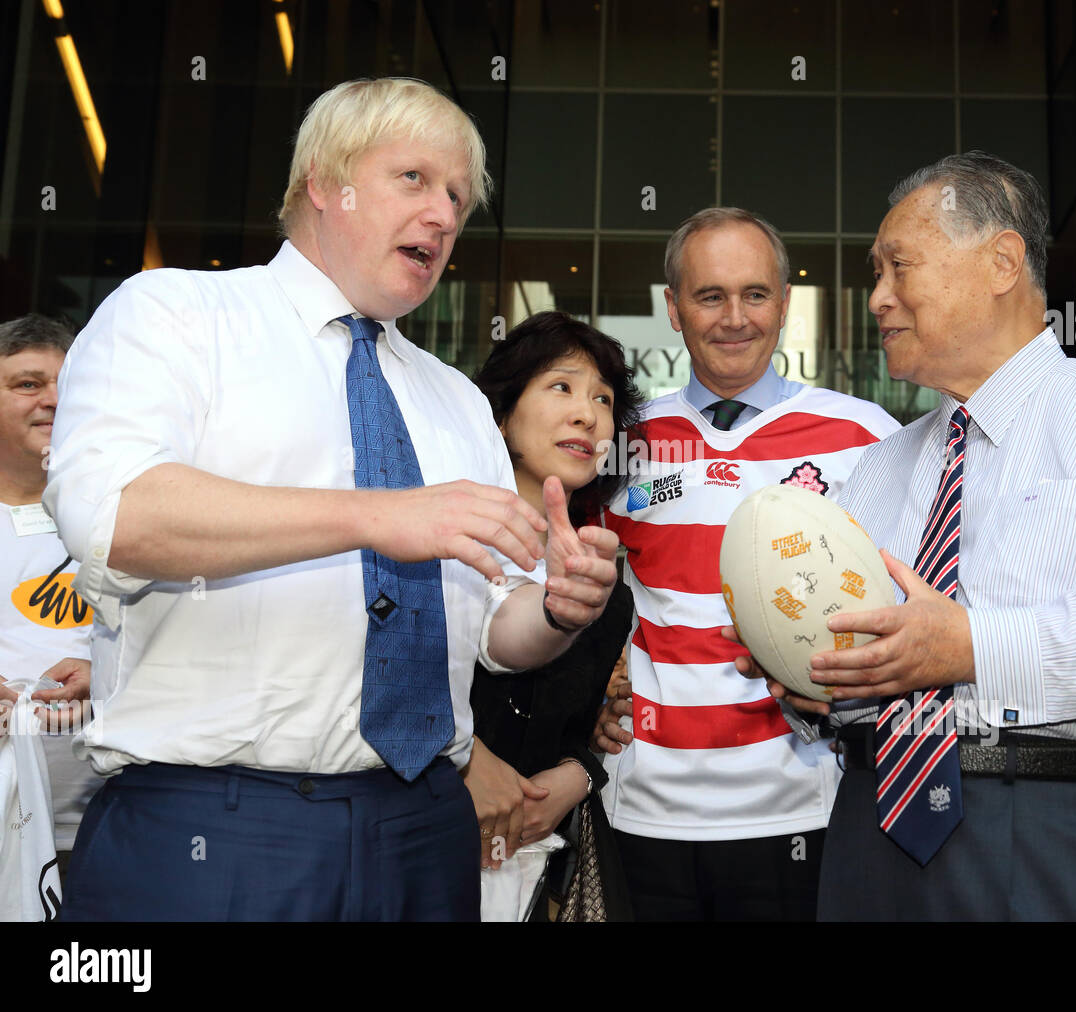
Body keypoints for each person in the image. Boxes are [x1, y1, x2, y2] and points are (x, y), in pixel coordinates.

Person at [43, 78, 618, 922]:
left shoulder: (456, 399)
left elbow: (497, 629)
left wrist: (558, 611)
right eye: (415, 179)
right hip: (210, 831)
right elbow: (114, 514)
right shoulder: (176, 314)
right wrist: (379, 515)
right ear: (323, 181)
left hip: (426, 829)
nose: (443, 215)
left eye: (458, 196)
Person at [746, 151, 1076, 920]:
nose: (877, 298)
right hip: (872, 828)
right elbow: (874, 652)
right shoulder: (878, 468)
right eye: (875, 273)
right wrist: (819, 685)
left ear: (1001, 261)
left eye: (899, 267)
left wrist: (975, 647)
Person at [595, 207, 900, 921]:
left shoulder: (866, 435)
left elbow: (909, 609)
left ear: (785, 302)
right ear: (672, 308)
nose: (735, 318)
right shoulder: (622, 441)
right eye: (710, 296)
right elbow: (578, 604)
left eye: (755, 294)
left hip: (803, 808)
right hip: (644, 808)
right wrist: (584, 708)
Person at [467, 310, 641, 920]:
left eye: (603, 399)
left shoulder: (606, 586)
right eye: (561, 386)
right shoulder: (445, 541)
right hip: (432, 852)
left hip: (538, 875)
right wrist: (465, 758)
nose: (588, 414)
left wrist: (579, 775)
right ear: (503, 412)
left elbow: (589, 726)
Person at [0, 314, 96, 892]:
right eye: (28, 384)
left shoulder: (130, 513)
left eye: (70, 384)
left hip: (102, 821)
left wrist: (108, 672)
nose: (55, 401)